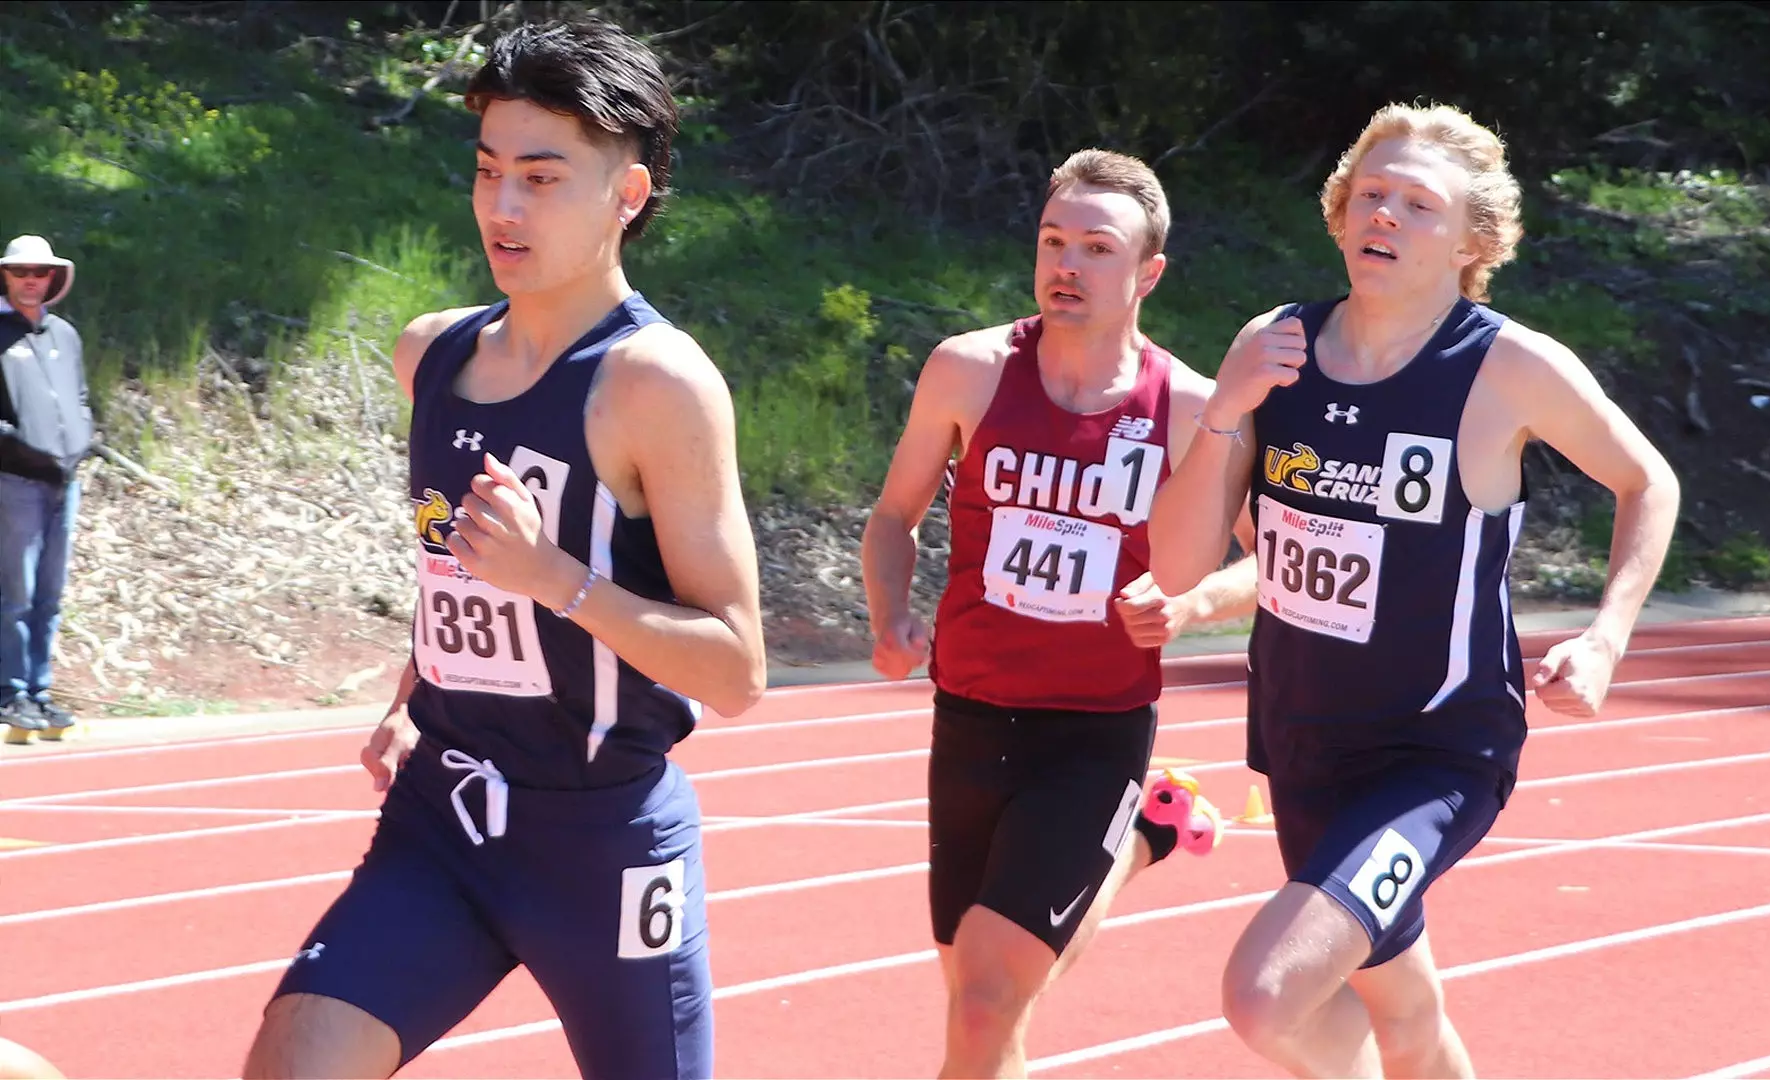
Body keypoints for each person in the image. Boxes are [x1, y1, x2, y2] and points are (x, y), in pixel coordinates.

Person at [241, 18, 765, 1080]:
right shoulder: (430, 352)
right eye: (488, 173)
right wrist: (410, 687)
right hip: (447, 818)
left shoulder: (655, 386)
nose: (503, 207)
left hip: (603, 840)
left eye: (541, 177)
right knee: (293, 1062)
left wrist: (559, 581)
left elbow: (738, 668)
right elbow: (457, 569)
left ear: (626, 194)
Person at [1148, 102, 1681, 1078]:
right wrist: (1225, 409)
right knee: (1402, 1008)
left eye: (1416, 205)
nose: (1382, 217)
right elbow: (1177, 566)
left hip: (1434, 756)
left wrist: (1608, 635)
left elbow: (1649, 481)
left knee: (1265, 997)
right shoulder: (1276, 348)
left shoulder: (1505, 366)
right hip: (1303, 741)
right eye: (1368, 195)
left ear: (1475, 240)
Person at [861, 147, 1260, 1079]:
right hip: (967, 717)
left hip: (1094, 729)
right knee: (980, 999)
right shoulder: (967, 371)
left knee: (990, 997)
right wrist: (888, 615)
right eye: (1052, 242)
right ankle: (1150, 833)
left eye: (1095, 247)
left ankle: (1133, 820)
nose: (1066, 265)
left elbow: (1275, 559)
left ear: (1147, 273)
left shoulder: (1190, 409)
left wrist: (1188, 602)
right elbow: (892, 518)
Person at [0, 234, 90, 745]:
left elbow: (78, 396)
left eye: (40, 271)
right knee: (16, 592)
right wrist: (17, 446)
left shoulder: (65, 336)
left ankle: (38, 689)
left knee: (50, 596)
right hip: (13, 480)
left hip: (65, 481)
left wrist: (82, 437)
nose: (31, 278)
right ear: (6, 277)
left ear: (53, 278)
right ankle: (9, 690)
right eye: (20, 271)